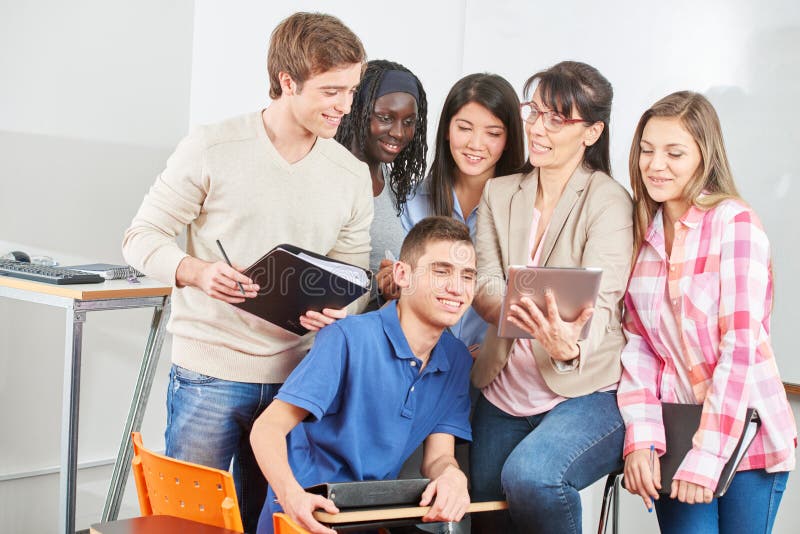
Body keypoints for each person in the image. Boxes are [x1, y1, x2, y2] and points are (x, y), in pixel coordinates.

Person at [121, 13, 372, 532]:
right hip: (208, 375)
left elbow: (354, 273)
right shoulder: (212, 146)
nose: (345, 106)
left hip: (295, 384)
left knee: (272, 525)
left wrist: (340, 310)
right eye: (331, 90)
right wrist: (196, 272)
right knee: (189, 525)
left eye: (351, 89)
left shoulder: (349, 175)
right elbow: (140, 238)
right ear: (287, 81)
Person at [617, 91, 796, 533]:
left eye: (674, 153)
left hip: (747, 440)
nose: (656, 165)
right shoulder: (643, 233)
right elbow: (638, 347)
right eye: (647, 150)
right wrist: (641, 439)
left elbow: (740, 348)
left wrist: (709, 453)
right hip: (677, 436)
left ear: (704, 156)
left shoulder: (734, 224)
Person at [469, 61, 634, 533]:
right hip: (504, 388)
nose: (538, 129)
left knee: (534, 476)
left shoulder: (607, 200)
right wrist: (530, 313)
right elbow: (484, 285)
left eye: (557, 119)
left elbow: (601, 301)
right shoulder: (501, 193)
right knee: (486, 512)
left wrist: (571, 345)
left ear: (591, 131)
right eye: (535, 112)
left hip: (584, 389)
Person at [250, 216, 476, 534]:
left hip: (368, 518)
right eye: (441, 272)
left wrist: (452, 474)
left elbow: (438, 457)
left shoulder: (456, 359)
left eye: (468, 276)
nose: (456, 288)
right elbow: (267, 429)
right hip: (304, 518)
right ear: (402, 274)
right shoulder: (346, 338)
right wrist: (292, 497)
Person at [395, 73, 525, 351]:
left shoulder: (524, 209)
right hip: (423, 357)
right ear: (446, 129)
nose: (475, 144)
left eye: (493, 133)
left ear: (509, 139)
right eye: (464, 128)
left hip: (493, 365)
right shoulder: (414, 199)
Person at [334, 59, 427, 309]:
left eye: (409, 122)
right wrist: (379, 291)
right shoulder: (331, 177)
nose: (398, 133)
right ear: (357, 111)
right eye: (385, 118)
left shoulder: (392, 184)